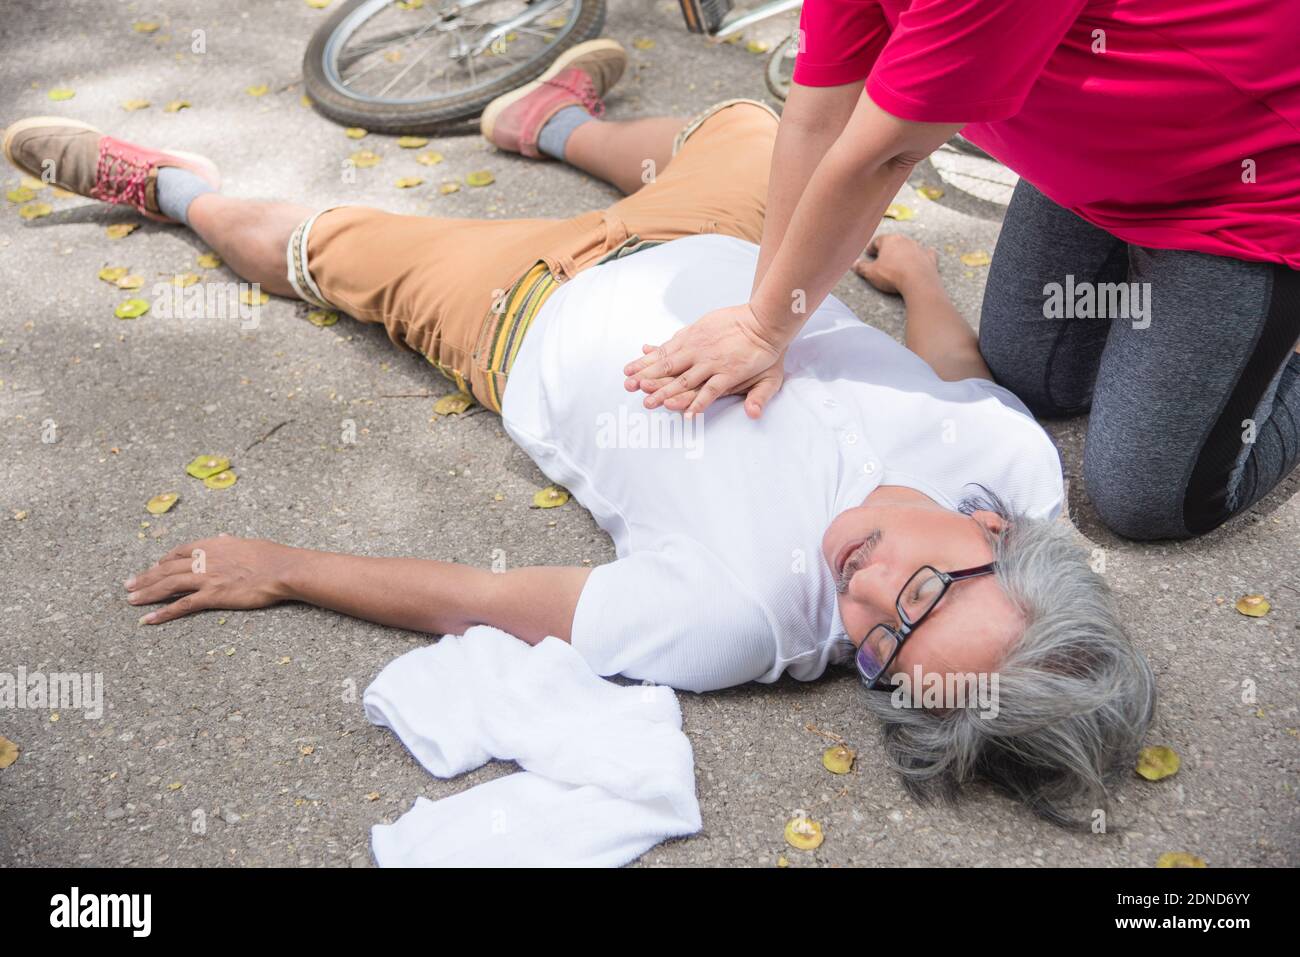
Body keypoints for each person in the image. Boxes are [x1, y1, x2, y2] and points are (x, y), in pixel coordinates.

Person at [3, 41, 1154, 826]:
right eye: (917, 597)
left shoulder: (729, 625)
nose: (862, 602)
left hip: (516, 306)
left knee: (303, 249)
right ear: (991, 527)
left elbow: (484, 601)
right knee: (753, 125)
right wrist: (916, 287)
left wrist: (285, 570)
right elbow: (963, 382)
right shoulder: (1013, 469)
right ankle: (548, 122)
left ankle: (172, 190)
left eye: (878, 653)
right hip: (741, 246)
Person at [622, 0, 1300, 543]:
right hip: (1096, 160)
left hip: (1246, 180)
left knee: (1149, 497)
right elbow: (822, 113)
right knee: (1035, 380)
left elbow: (885, 154)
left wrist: (765, 326)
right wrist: (767, 316)